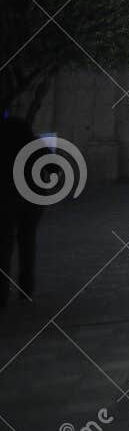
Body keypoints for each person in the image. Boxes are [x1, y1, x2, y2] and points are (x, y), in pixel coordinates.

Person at [0, 115, 43, 307]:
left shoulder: (4, 146)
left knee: (4, 245)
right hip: (32, 201)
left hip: (7, 200)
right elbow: (53, 169)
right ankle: (26, 287)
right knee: (27, 242)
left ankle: (1, 293)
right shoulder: (35, 145)